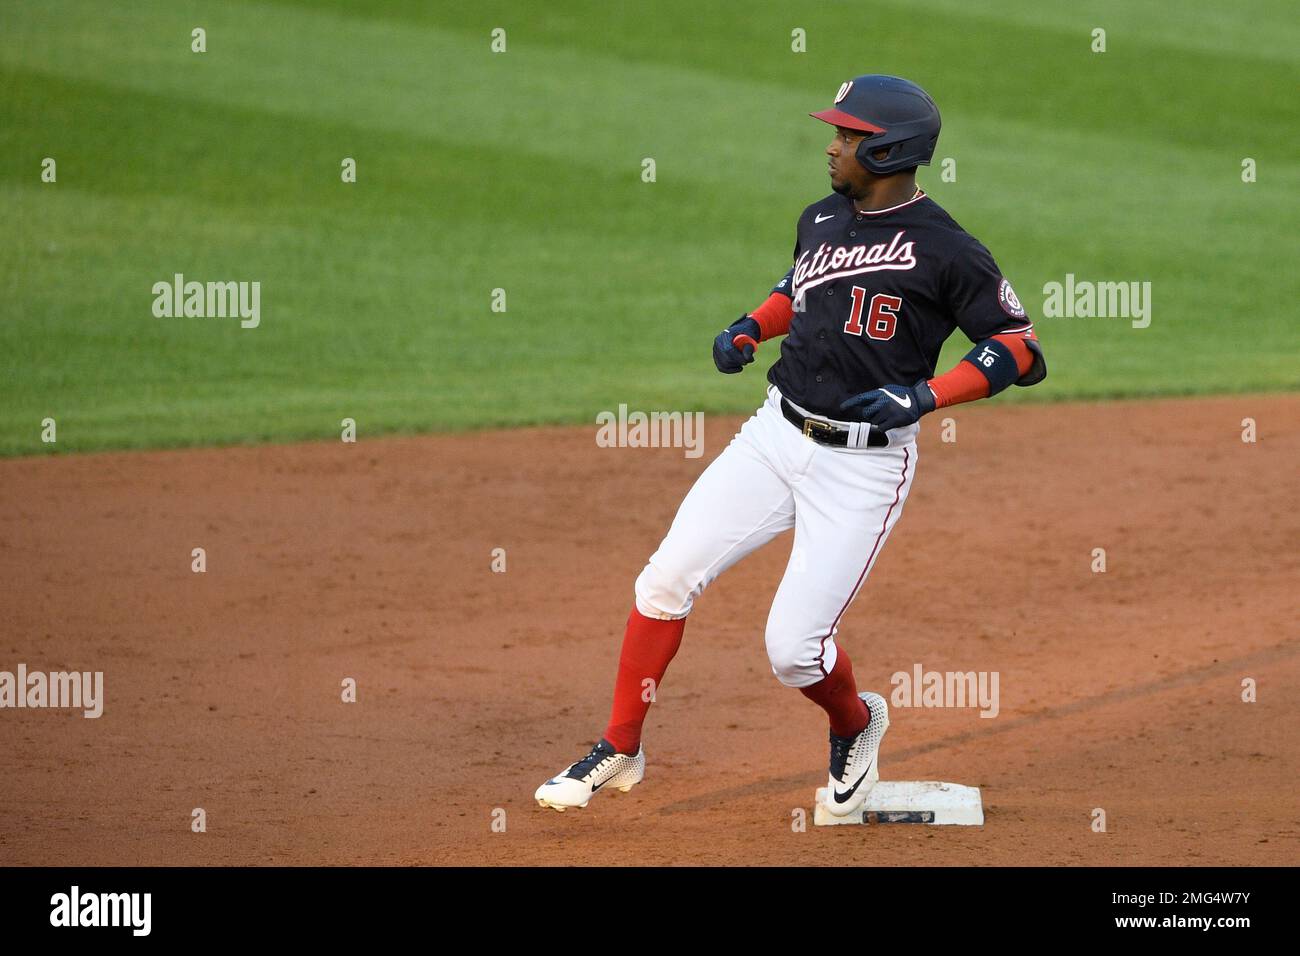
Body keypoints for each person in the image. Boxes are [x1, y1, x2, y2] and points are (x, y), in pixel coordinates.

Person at [535, 75, 1045, 815]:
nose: (832, 145)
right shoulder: (821, 218)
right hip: (774, 435)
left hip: (863, 468)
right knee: (664, 581)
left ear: (892, 148)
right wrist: (750, 324)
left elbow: (1021, 349)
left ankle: (857, 720)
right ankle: (620, 748)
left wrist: (926, 395)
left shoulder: (949, 250)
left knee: (792, 651)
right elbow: (799, 288)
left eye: (848, 135)